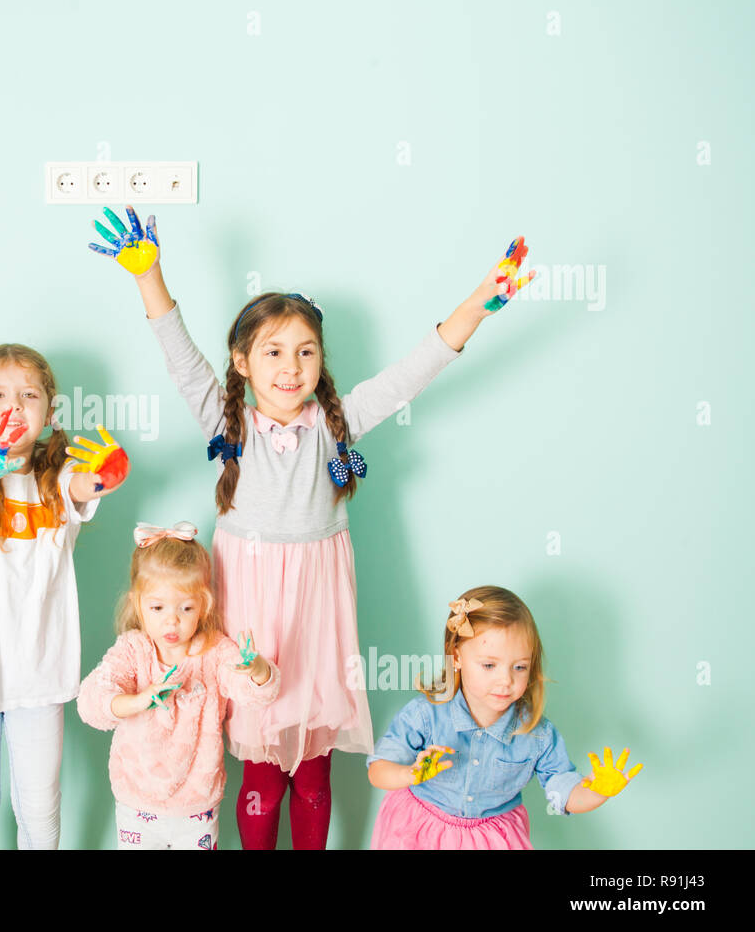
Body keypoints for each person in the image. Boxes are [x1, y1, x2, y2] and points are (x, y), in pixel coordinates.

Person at [90, 206, 536, 848]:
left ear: (321, 360)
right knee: (262, 772)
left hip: (319, 608)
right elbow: (180, 354)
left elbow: (415, 370)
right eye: (272, 351)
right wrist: (149, 274)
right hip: (248, 604)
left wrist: (479, 302)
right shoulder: (225, 420)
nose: (290, 366)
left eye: (305, 351)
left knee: (314, 774)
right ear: (242, 361)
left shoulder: (337, 423)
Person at [0, 344, 129, 849]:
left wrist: (106, 474)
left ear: (49, 413)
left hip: (39, 674)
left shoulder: (58, 476)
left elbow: (85, 485)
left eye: (29, 396)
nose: (13, 406)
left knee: (40, 808)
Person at [367, 587, 642, 848]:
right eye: (489, 665)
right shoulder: (425, 715)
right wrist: (409, 773)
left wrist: (596, 793)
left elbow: (565, 792)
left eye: (520, 667)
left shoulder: (538, 734)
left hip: (492, 840)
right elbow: (378, 769)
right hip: (419, 832)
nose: (506, 680)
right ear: (457, 656)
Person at [78, 522, 279, 850]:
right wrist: (138, 700)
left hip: (196, 808)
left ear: (205, 605)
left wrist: (257, 670)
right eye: (157, 608)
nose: (171, 621)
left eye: (185, 608)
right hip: (137, 805)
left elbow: (255, 695)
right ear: (137, 603)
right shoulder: (132, 649)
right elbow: (92, 700)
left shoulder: (215, 651)